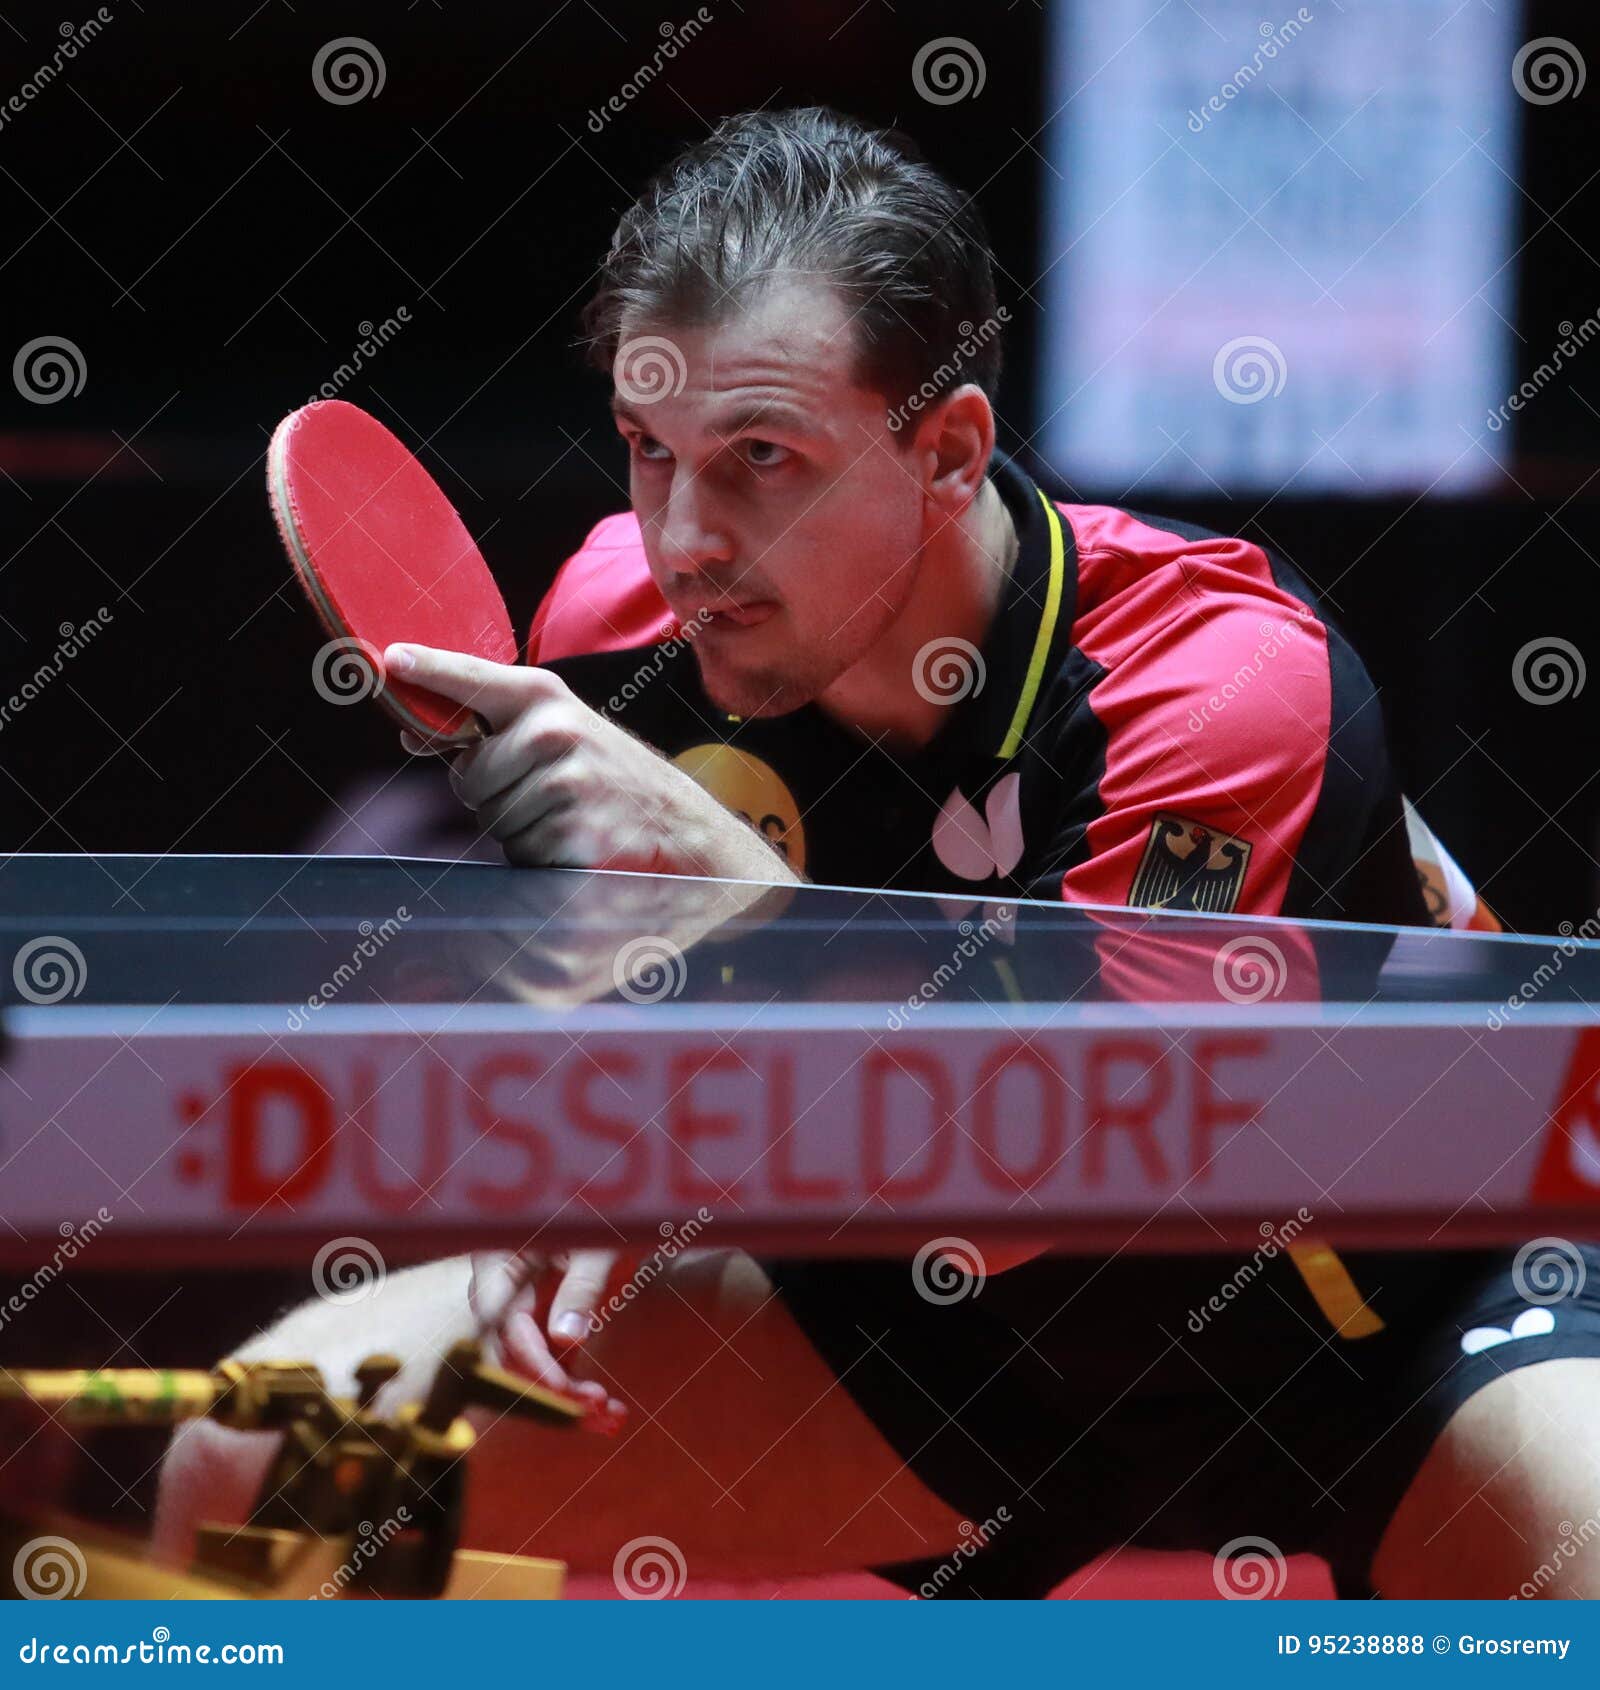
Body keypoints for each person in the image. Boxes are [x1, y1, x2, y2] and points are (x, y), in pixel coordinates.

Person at [154, 106, 1600, 1599]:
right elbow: (643, 1037)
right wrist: (591, 1163)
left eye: (762, 457)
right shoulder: (619, 638)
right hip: (950, 1346)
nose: (685, 540)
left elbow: (1080, 1176)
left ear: (949, 452)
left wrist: (750, 906)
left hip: (1397, 1321)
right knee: (268, 1462)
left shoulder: (1213, 688)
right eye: (650, 450)